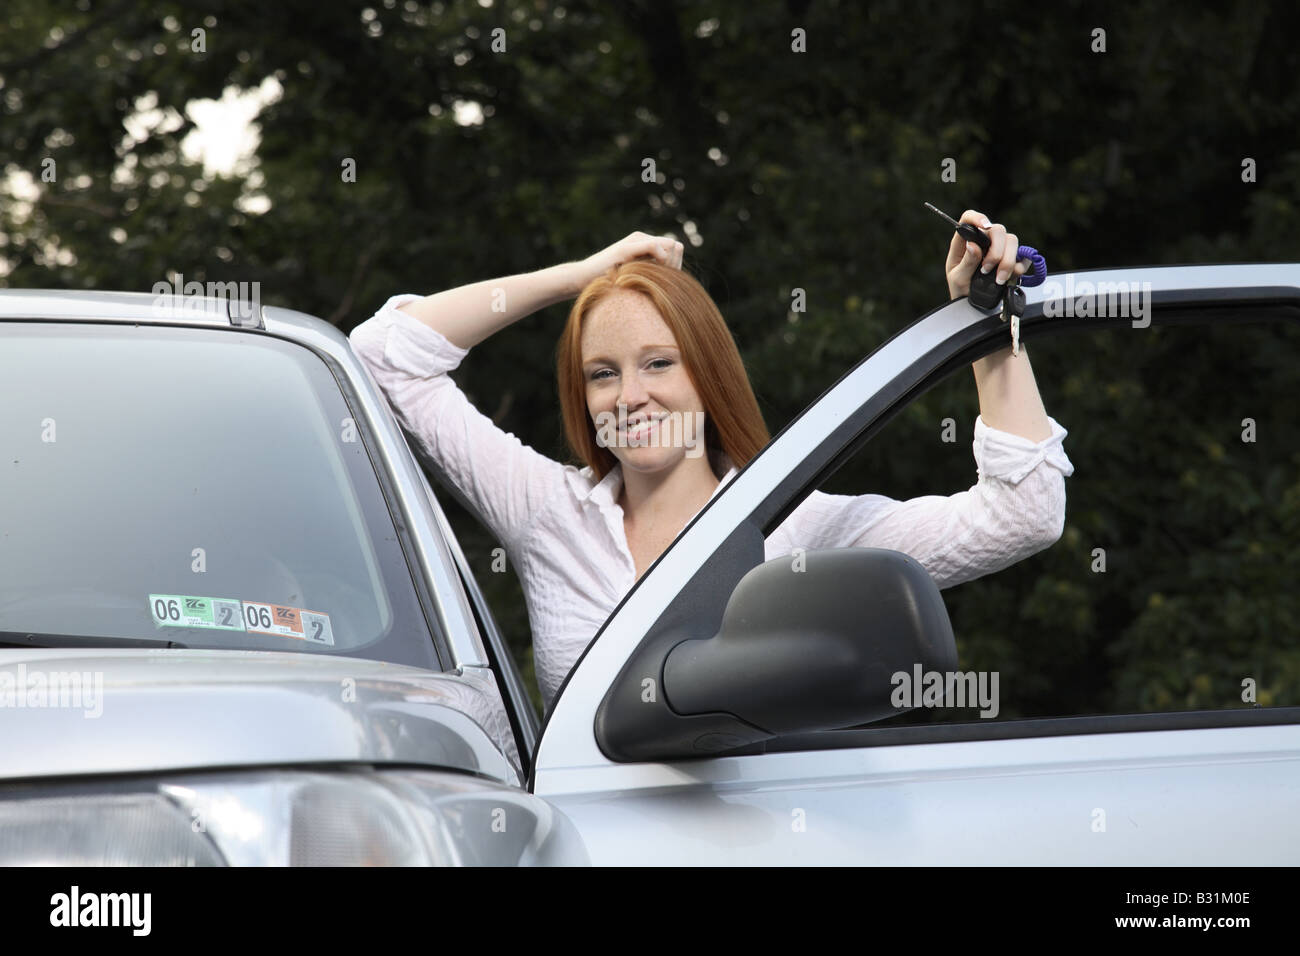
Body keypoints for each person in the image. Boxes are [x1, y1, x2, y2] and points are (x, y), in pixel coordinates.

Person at [348, 210, 1074, 710]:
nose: (630, 395)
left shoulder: (797, 525)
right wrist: (583, 276)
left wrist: (984, 327)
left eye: (658, 363)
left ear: (706, 371)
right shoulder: (547, 513)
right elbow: (384, 356)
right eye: (603, 373)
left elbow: (1022, 516)